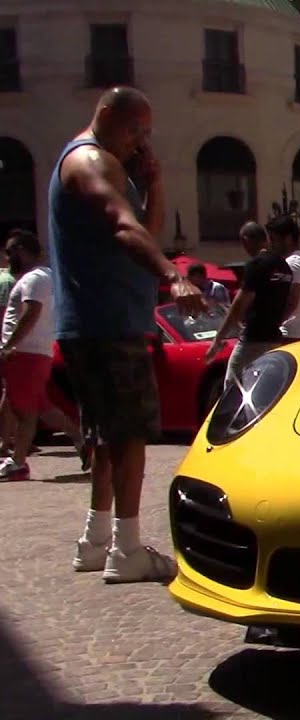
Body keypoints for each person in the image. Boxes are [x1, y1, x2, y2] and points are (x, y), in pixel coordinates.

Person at [48, 86, 204, 583]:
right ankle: (128, 548)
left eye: (147, 134)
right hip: (108, 321)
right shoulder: (90, 162)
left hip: (97, 320)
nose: (141, 142)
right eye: (136, 130)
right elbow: (122, 226)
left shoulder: (109, 165)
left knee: (108, 436)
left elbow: (143, 225)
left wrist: (154, 184)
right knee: (130, 435)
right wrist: (171, 274)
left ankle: (97, 540)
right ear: (108, 116)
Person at [0, 231, 87, 481]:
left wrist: (9, 345)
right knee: (38, 406)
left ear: (22, 251)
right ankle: (80, 438)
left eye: (10, 251)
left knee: (23, 412)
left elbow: (31, 312)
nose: (7, 258)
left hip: (24, 353)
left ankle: (17, 464)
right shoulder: (45, 278)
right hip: (34, 352)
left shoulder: (34, 280)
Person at [204, 222, 293, 388]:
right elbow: (290, 303)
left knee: (232, 385)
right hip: (274, 337)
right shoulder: (284, 267)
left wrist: (219, 338)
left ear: (246, 240)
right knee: (265, 387)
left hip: (253, 338)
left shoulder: (256, 265)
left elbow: (241, 302)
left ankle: (235, 415)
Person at [275, 215, 300, 340]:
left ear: (288, 239)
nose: (271, 244)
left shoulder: (292, 263)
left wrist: (276, 323)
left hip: (292, 333)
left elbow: (292, 300)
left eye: (274, 239)